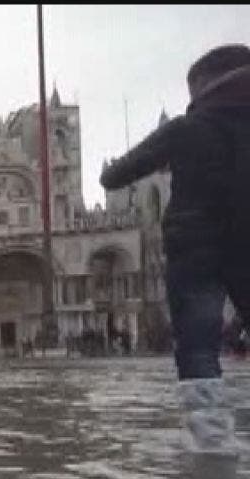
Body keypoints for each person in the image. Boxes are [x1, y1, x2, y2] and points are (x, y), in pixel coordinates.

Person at [101, 44, 250, 455]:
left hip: (194, 247)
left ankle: (211, 440)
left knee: (198, 343)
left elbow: (113, 177)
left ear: (203, 87)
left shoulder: (187, 129)